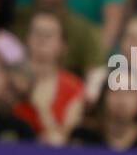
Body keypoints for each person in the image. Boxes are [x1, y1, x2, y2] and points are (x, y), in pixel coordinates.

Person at [8, 10, 85, 144]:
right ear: (26, 39)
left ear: (63, 46)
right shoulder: (8, 78)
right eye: (37, 32)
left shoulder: (73, 86)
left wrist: (41, 107)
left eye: (49, 35)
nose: (42, 39)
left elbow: (66, 138)